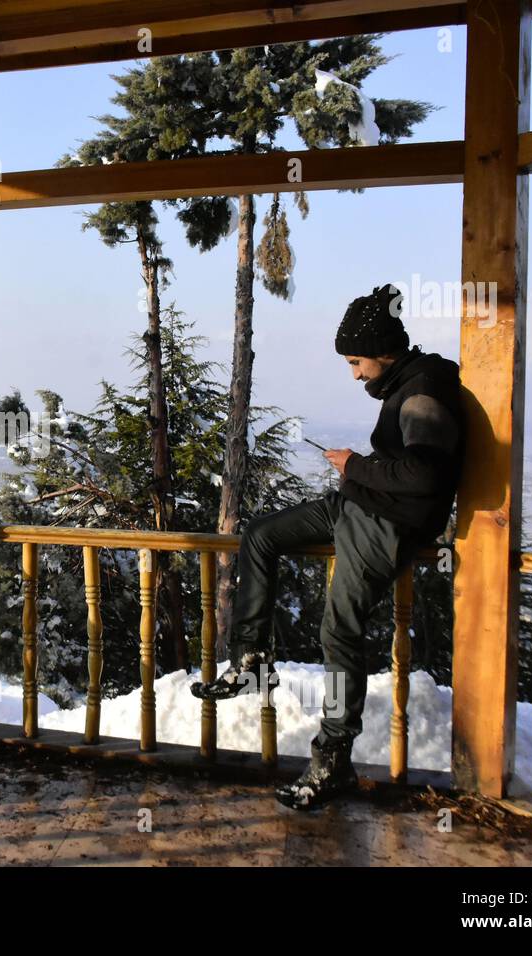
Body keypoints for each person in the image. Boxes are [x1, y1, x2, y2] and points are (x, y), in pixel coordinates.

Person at [190, 283, 465, 811]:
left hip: (382, 524)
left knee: (339, 633)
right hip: (357, 505)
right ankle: (250, 659)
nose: (355, 373)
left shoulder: (423, 391)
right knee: (262, 534)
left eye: (358, 361)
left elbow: (424, 475)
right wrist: (356, 474)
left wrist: (352, 465)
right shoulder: (408, 383)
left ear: (384, 351)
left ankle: (333, 758)